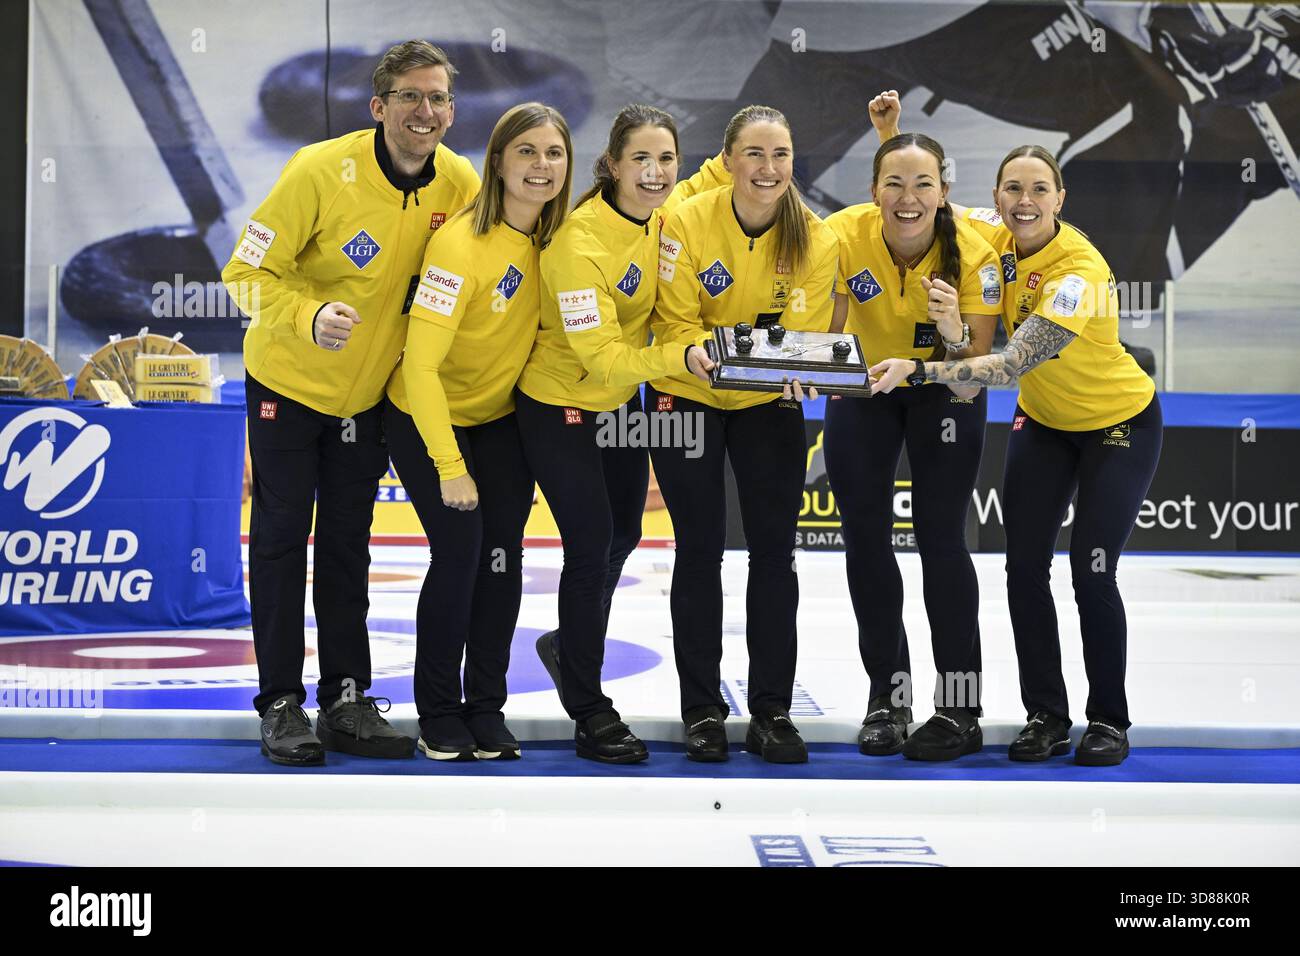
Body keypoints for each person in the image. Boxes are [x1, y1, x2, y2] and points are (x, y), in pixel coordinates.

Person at [868, 92, 1161, 766]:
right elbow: (930, 196)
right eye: (1011, 189)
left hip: (1118, 423)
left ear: (1060, 197)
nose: (1023, 201)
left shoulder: (1077, 273)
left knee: (1092, 571)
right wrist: (889, 132)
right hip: (1047, 423)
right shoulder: (992, 234)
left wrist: (918, 372)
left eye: (1038, 190)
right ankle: (1045, 716)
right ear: (996, 197)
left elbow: (1009, 364)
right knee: (1023, 570)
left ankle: (1108, 721)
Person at [222, 40, 479, 766]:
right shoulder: (318, 170)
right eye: (408, 97)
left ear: (451, 112)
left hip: (367, 399)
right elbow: (243, 272)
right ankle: (279, 703)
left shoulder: (457, 182)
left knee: (346, 546)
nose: (423, 111)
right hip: (287, 385)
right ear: (379, 107)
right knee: (279, 541)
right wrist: (308, 317)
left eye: (437, 99)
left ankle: (344, 696)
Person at [515, 105, 726, 763]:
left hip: (616, 406)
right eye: (641, 159)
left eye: (667, 159)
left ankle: (566, 645)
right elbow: (601, 359)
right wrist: (680, 357)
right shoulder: (577, 244)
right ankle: (588, 706)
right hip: (560, 405)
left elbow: (737, 162)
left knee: (626, 533)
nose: (657, 171)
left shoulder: (664, 213)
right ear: (611, 165)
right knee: (591, 543)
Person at [647, 105, 840, 764]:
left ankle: (772, 711)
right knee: (698, 551)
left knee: (773, 555)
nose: (768, 168)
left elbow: (801, 344)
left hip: (767, 403)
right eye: (754, 154)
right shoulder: (683, 218)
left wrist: (789, 363)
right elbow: (672, 327)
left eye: (780, 154)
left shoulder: (814, 237)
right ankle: (701, 710)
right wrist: (741, 352)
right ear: (727, 160)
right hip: (686, 395)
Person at [384, 102, 573, 760]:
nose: (541, 166)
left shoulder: (560, 239)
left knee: (502, 562)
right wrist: (449, 466)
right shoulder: (458, 244)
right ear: (497, 161)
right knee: (461, 553)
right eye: (526, 152)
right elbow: (423, 366)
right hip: (425, 413)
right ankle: (437, 712)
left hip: (499, 420)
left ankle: (485, 707)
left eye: (553, 153)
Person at [822, 132, 1003, 761]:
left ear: (944, 194)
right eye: (893, 184)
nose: (907, 197)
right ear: (873, 191)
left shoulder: (976, 252)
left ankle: (959, 709)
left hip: (941, 390)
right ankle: (887, 699)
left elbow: (975, 373)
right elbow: (828, 332)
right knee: (865, 539)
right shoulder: (843, 234)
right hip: (866, 386)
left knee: (942, 540)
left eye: (923, 184)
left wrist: (952, 333)